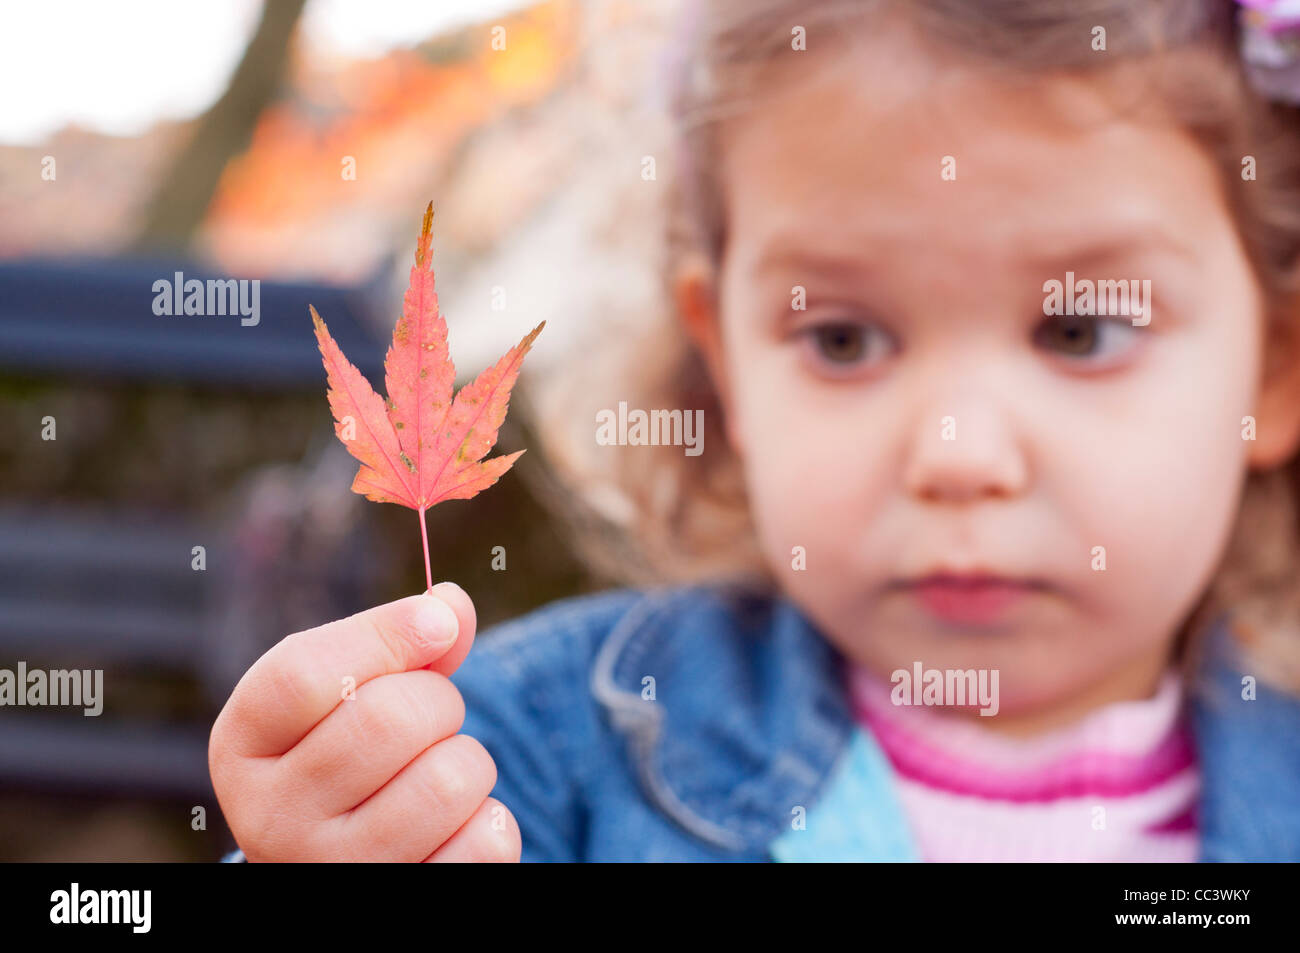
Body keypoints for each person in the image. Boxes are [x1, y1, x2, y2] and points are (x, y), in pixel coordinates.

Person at [209, 0, 1300, 861]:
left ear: (1273, 367)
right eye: (841, 340)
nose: (959, 455)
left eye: (1078, 330)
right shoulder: (520, 762)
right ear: (724, 361)